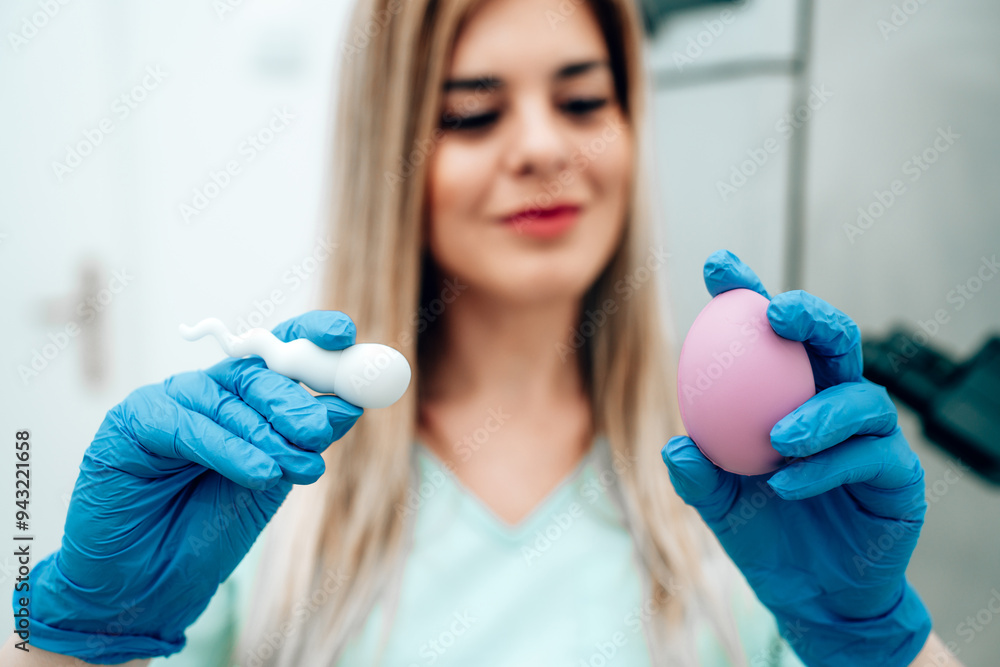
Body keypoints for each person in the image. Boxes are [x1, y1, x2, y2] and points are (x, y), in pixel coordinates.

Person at [3, 0, 965, 665]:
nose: (544, 146)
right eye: (472, 113)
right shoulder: (263, 496)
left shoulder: (744, 509)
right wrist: (78, 636)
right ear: (397, 156)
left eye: (585, 100)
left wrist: (876, 640)